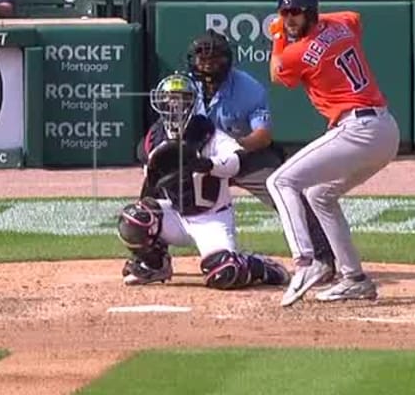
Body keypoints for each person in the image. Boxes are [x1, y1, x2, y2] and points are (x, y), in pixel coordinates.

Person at [158, 30, 336, 272]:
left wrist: (231, 153)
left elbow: (262, 136)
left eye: (214, 58)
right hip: (196, 159)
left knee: (284, 189)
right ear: (192, 60)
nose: (208, 64)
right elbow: (168, 127)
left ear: (227, 59)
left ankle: (322, 257)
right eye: (202, 59)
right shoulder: (184, 86)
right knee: (157, 185)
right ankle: (153, 258)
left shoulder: (248, 88)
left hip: (245, 154)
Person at [265, 0, 399, 306]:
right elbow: (355, 18)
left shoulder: (297, 52)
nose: (288, 19)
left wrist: (278, 38)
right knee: (319, 194)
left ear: (309, 13)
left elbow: (277, 74)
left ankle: (305, 262)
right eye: (284, 13)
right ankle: (354, 278)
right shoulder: (341, 24)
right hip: (385, 131)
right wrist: (309, 19)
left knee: (280, 181)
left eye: (295, 13)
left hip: (358, 128)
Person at [117, 73, 289, 290]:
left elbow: (236, 160)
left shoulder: (206, 132)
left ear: (192, 102)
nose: (175, 106)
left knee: (223, 274)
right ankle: (155, 264)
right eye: (169, 100)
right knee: (132, 219)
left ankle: (259, 266)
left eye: (181, 99)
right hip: (175, 215)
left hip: (211, 219)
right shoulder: (154, 138)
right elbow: (150, 187)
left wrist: (207, 164)